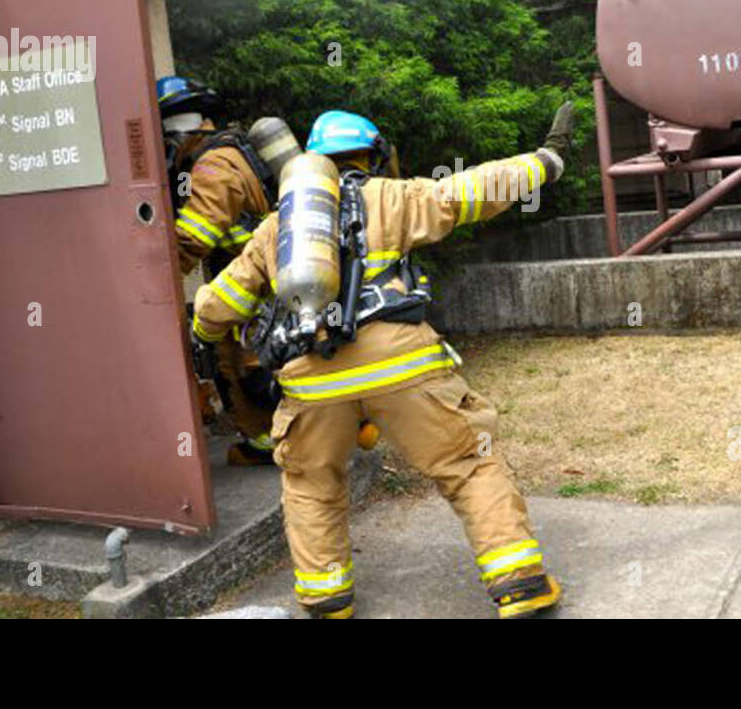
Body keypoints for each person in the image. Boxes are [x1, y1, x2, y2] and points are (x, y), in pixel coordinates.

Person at [192, 104, 575, 618]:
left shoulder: (280, 227)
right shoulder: (395, 197)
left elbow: (224, 302)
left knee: (311, 483)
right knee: (466, 463)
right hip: (401, 368)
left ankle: (326, 596)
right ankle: (520, 584)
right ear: (373, 156)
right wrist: (546, 161)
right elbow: (475, 189)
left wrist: (202, 331)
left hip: (313, 381)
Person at [157, 75, 279, 464]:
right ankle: (272, 439)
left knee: (246, 364)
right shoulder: (226, 153)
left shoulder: (212, 164)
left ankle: (275, 443)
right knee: (254, 358)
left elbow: (197, 233)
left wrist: (155, 278)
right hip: (256, 274)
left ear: (176, 127)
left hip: (253, 277)